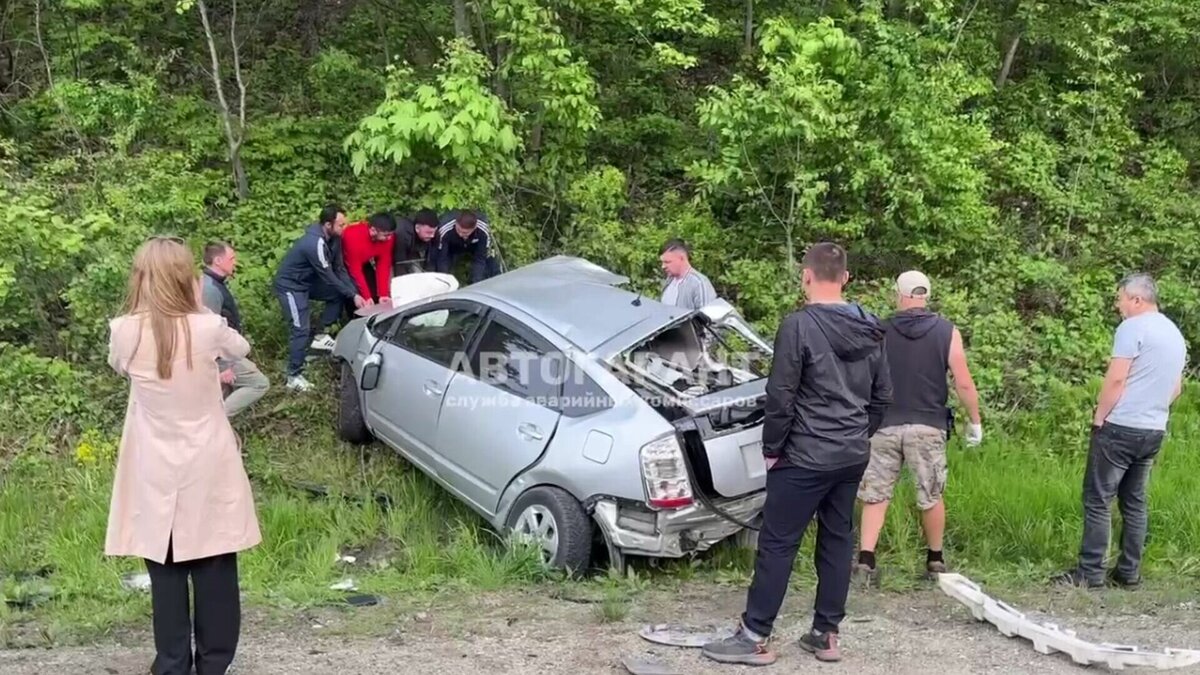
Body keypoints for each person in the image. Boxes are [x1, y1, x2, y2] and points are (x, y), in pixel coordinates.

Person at [702, 243, 892, 666]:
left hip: (804, 454)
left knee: (778, 543)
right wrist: (859, 435)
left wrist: (772, 448)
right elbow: (883, 397)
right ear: (845, 278)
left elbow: (780, 395)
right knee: (838, 539)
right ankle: (826, 634)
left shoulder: (798, 326)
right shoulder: (873, 328)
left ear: (806, 276)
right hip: (850, 454)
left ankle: (754, 635)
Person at [105, 236, 262, 675]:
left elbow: (121, 365)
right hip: (207, 460)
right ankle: (213, 665)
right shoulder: (207, 325)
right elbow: (241, 350)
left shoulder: (124, 330)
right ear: (185, 277)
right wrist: (199, 306)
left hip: (154, 463)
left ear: (141, 278)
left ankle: (172, 663)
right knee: (214, 565)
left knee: (166, 568)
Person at [1054, 273, 1186, 589]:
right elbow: (1177, 388)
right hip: (1153, 428)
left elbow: (1115, 380)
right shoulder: (1174, 333)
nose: (1118, 305)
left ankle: (1090, 573)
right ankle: (1129, 572)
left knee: (1098, 498)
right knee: (1135, 501)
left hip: (1121, 427)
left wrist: (1100, 417)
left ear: (1137, 299)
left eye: (1120, 298)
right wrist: (1152, 407)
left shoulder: (1132, 328)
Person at [853, 270, 983, 586]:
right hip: (928, 425)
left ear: (898, 294)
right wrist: (975, 421)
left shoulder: (878, 330)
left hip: (884, 424)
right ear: (926, 295)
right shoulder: (947, 332)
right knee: (931, 492)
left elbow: (860, 376)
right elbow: (963, 382)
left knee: (875, 494)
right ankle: (935, 560)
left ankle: (865, 561)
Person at [272, 204, 369, 392]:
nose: (344, 228)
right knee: (300, 328)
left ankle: (321, 335)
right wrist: (353, 295)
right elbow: (328, 276)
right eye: (341, 225)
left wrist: (356, 294)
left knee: (337, 294)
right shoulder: (314, 243)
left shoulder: (335, 238)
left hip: (308, 282)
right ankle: (293, 374)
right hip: (291, 286)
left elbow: (339, 269)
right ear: (327, 224)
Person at [200, 241, 270, 417]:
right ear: (217, 260)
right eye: (231, 259)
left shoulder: (215, 283)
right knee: (259, 383)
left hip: (226, 351)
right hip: (221, 355)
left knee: (220, 393)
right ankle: (215, 420)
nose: (235, 262)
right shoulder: (210, 289)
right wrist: (222, 366)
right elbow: (207, 332)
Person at [433, 209, 501, 284]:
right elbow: (443, 259)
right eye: (459, 230)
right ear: (456, 224)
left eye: (465, 232)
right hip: (452, 245)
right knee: (440, 261)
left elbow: (480, 259)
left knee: (490, 261)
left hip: (474, 245)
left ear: (474, 228)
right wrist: (445, 279)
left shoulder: (482, 230)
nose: (461, 234)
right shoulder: (445, 229)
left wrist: (477, 282)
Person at [342, 211, 396, 303]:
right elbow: (355, 269)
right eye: (386, 235)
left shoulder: (387, 238)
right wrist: (366, 297)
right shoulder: (352, 236)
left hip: (365, 261)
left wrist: (383, 294)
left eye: (391, 234)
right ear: (373, 230)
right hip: (344, 264)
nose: (389, 238)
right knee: (355, 295)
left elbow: (383, 264)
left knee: (375, 294)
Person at [659, 239, 718, 310]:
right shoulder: (670, 280)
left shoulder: (699, 283)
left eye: (667, 262)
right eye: (662, 262)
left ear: (681, 258)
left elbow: (707, 316)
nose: (663, 266)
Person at [392, 208, 439, 276]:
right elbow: (400, 263)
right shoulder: (401, 233)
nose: (432, 236)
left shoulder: (435, 233)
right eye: (428, 233)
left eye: (434, 232)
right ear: (417, 228)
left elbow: (431, 259)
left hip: (413, 251)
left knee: (419, 275)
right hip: (394, 253)